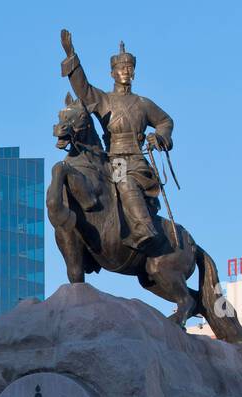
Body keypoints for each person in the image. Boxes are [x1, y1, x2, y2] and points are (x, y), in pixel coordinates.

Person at [60, 30, 173, 250]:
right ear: (112, 73)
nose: (126, 72)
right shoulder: (104, 100)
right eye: (121, 68)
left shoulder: (143, 103)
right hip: (109, 158)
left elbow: (166, 121)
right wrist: (71, 55)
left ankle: (143, 227)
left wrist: (159, 136)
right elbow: (83, 88)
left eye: (130, 68)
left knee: (123, 180)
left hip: (134, 161)